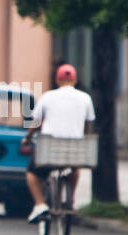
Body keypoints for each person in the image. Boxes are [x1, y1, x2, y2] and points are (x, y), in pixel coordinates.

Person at [24, 63, 95, 223]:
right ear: (75, 80)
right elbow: (87, 125)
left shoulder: (48, 96)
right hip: (75, 148)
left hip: (50, 147)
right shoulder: (86, 98)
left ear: (57, 80)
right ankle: (71, 201)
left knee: (32, 172)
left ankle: (40, 203)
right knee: (74, 169)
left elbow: (36, 122)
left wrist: (28, 138)